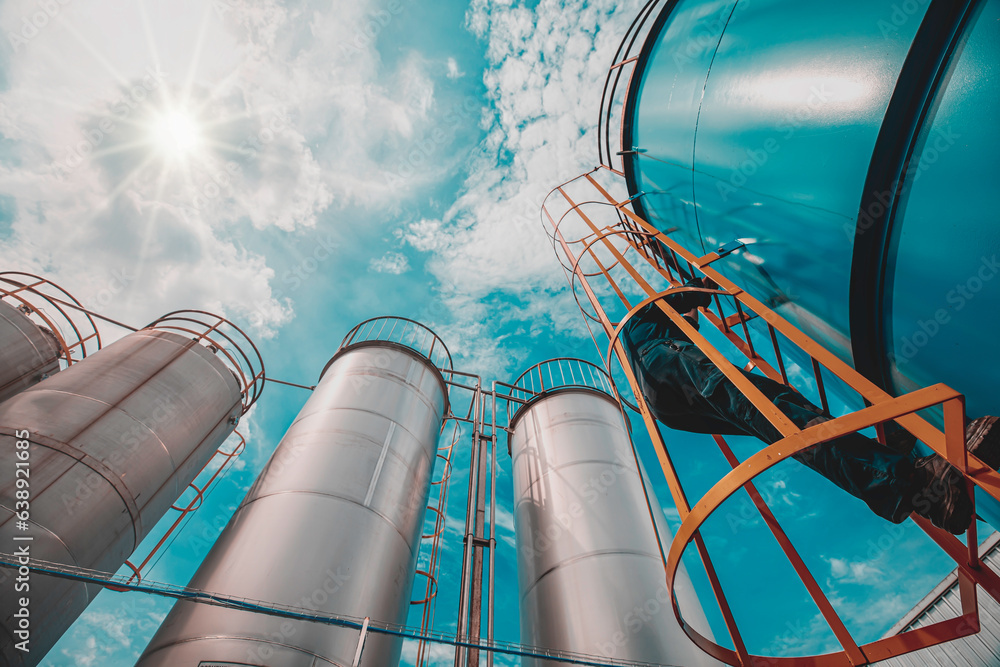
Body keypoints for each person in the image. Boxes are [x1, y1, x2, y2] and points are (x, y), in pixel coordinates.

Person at [620, 278, 1000, 534]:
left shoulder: (641, 347)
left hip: (667, 408)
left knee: (782, 425)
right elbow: (681, 297)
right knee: (782, 412)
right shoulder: (646, 316)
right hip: (667, 366)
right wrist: (701, 288)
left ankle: (902, 478)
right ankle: (912, 481)